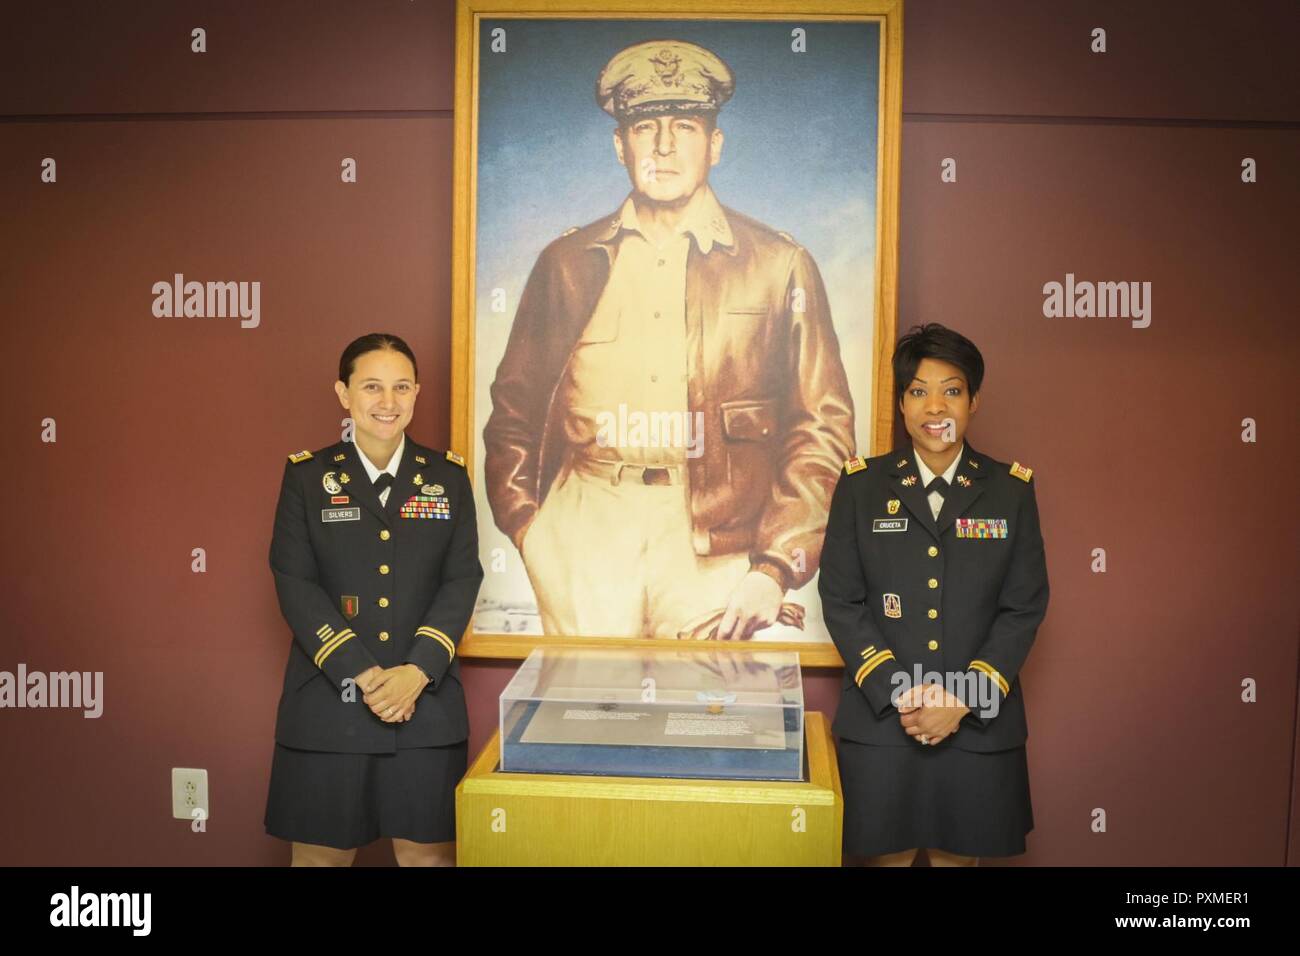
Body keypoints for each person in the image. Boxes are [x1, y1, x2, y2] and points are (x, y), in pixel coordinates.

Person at [483, 39, 854, 641]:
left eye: (684, 126)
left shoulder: (779, 264)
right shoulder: (566, 263)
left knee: (710, 724)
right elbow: (514, 411)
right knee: (586, 722)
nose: (662, 146)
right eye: (645, 127)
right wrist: (531, 531)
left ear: (715, 145)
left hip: (716, 550)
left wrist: (775, 564)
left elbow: (822, 428)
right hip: (585, 533)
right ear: (619, 146)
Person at [818, 323, 1049, 866]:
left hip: (977, 724)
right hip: (884, 721)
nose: (934, 405)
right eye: (919, 391)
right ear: (901, 404)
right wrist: (904, 693)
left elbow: (1024, 607)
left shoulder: (1010, 490)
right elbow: (841, 600)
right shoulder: (861, 487)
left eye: (951, 389)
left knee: (956, 860)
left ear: (974, 401)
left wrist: (963, 699)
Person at [263, 333, 484, 866]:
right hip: (328, 702)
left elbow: (461, 581)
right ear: (344, 394)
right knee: (320, 861)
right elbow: (294, 580)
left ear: (416, 394)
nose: (388, 402)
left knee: (428, 860)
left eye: (401, 387)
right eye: (372, 386)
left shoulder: (448, 479)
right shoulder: (308, 477)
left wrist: (416, 673)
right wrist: (362, 674)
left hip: (424, 703)